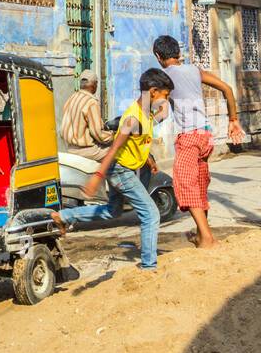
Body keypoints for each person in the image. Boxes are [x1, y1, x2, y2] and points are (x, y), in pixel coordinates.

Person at [51, 68, 175, 271]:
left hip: (126, 168)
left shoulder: (146, 111)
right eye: (165, 95)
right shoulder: (132, 119)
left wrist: (148, 160)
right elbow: (115, 147)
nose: (166, 101)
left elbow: (140, 141)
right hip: (120, 171)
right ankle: (148, 266)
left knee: (112, 211)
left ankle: (64, 216)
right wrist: (97, 177)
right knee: (151, 213)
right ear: (153, 92)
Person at [152, 34, 243, 249]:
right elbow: (227, 90)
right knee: (199, 184)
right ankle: (204, 236)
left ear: (158, 56)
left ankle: (207, 238)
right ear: (178, 53)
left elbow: (162, 112)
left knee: (185, 184)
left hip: (189, 137)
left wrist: (140, 125)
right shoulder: (194, 70)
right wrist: (233, 120)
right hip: (205, 136)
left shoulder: (163, 77)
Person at [60, 70, 111, 157]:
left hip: (70, 148)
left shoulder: (72, 98)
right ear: (94, 84)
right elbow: (98, 134)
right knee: (117, 152)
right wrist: (112, 135)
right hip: (87, 151)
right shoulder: (91, 102)